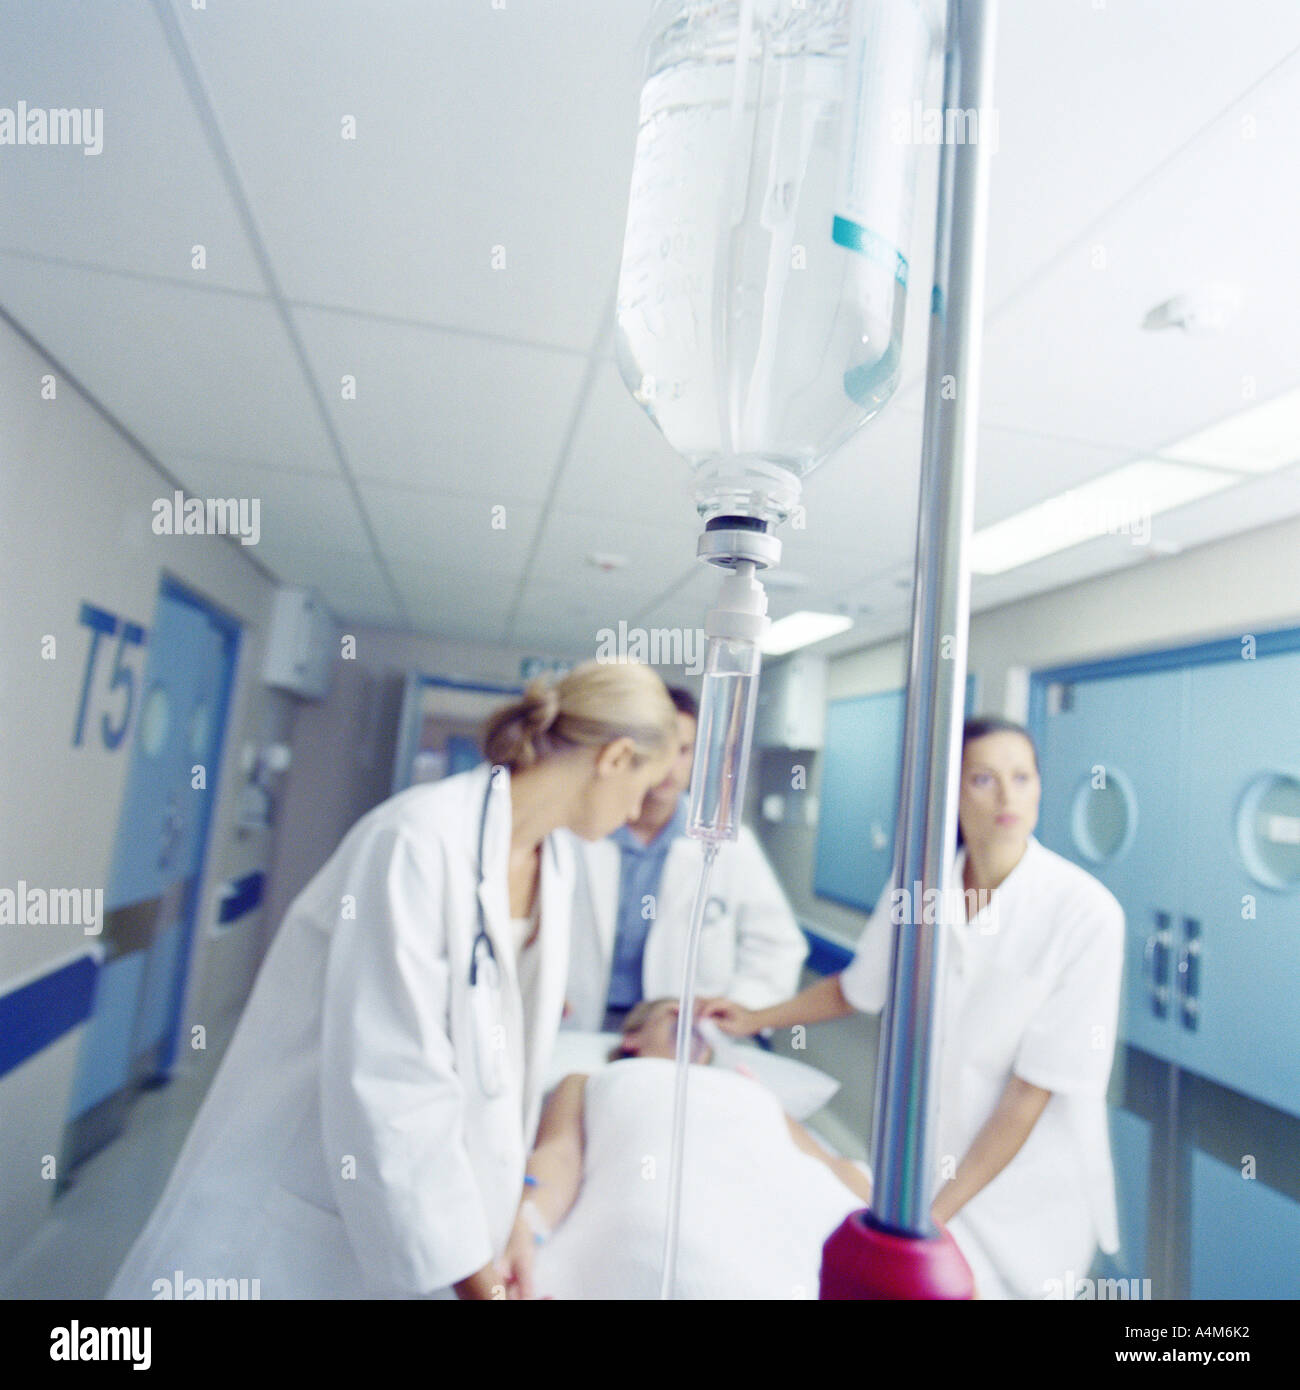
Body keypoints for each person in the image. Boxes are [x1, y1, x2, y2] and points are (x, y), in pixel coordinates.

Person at [107, 661, 678, 1301]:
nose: (638, 812)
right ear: (617, 756)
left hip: (422, 1216)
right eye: (648, 786)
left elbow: (499, 1082)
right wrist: (472, 1278)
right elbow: (393, 1082)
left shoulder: (557, 865)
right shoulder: (416, 841)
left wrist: (509, 1216)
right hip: (306, 1205)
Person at [700, 716, 1125, 1300]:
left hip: (1025, 1195)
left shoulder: (1085, 913)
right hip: (929, 1168)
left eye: (1022, 778)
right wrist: (752, 1019)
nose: (1007, 796)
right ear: (949, 792)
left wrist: (931, 1220)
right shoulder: (920, 884)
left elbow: (1028, 1096)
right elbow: (858, 989)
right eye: (984, 779)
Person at [498, 999, 872, 1300]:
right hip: (656, 1217)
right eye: (673, 1012)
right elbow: (558, 1155)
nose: (689, 1018)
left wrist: (908, 1228)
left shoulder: (753, 1092)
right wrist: (528, 1223)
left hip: (774, 1223)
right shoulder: (590, 1080)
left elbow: (830, 1166)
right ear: (631, 1037)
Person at [564, 686, 807, 1035]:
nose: (668, 766)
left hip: (681, 1033)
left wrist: (740, 1005)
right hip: (580, 1021)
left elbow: (777, 945)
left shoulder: (728, 844)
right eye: (655, 748)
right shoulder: (574, 833)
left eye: (683, 750)